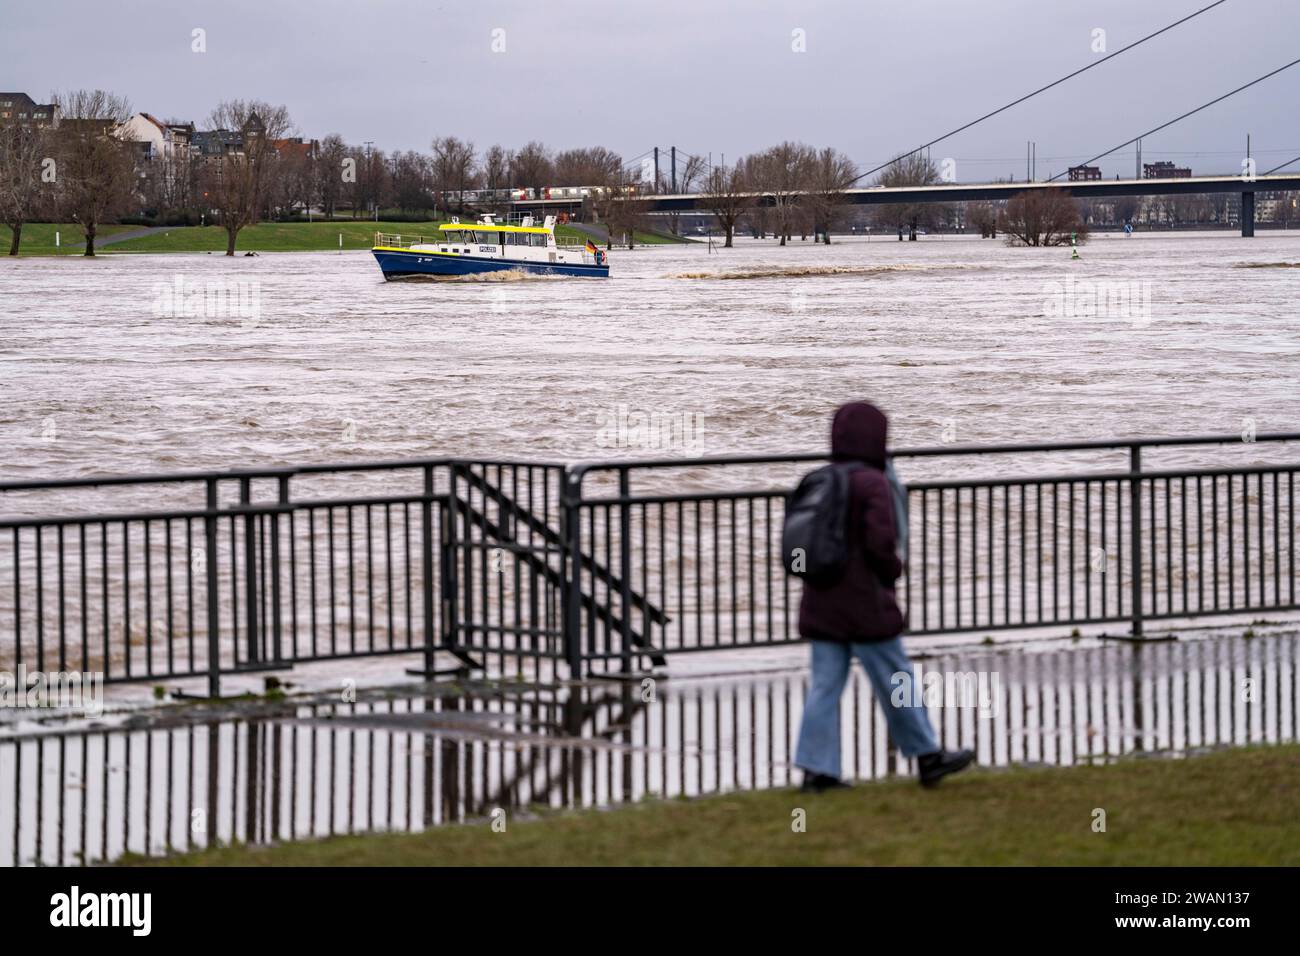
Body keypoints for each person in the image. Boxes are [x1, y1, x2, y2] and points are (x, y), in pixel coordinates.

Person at [794, 401, 975, 791]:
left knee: (824, 686)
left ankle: (816, 770)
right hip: (865, 604)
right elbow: (881, 543)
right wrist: (893, 572)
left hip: (821, 599)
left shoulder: (820, 478)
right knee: (898, 677)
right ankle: (927, 756)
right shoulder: (873, 483)